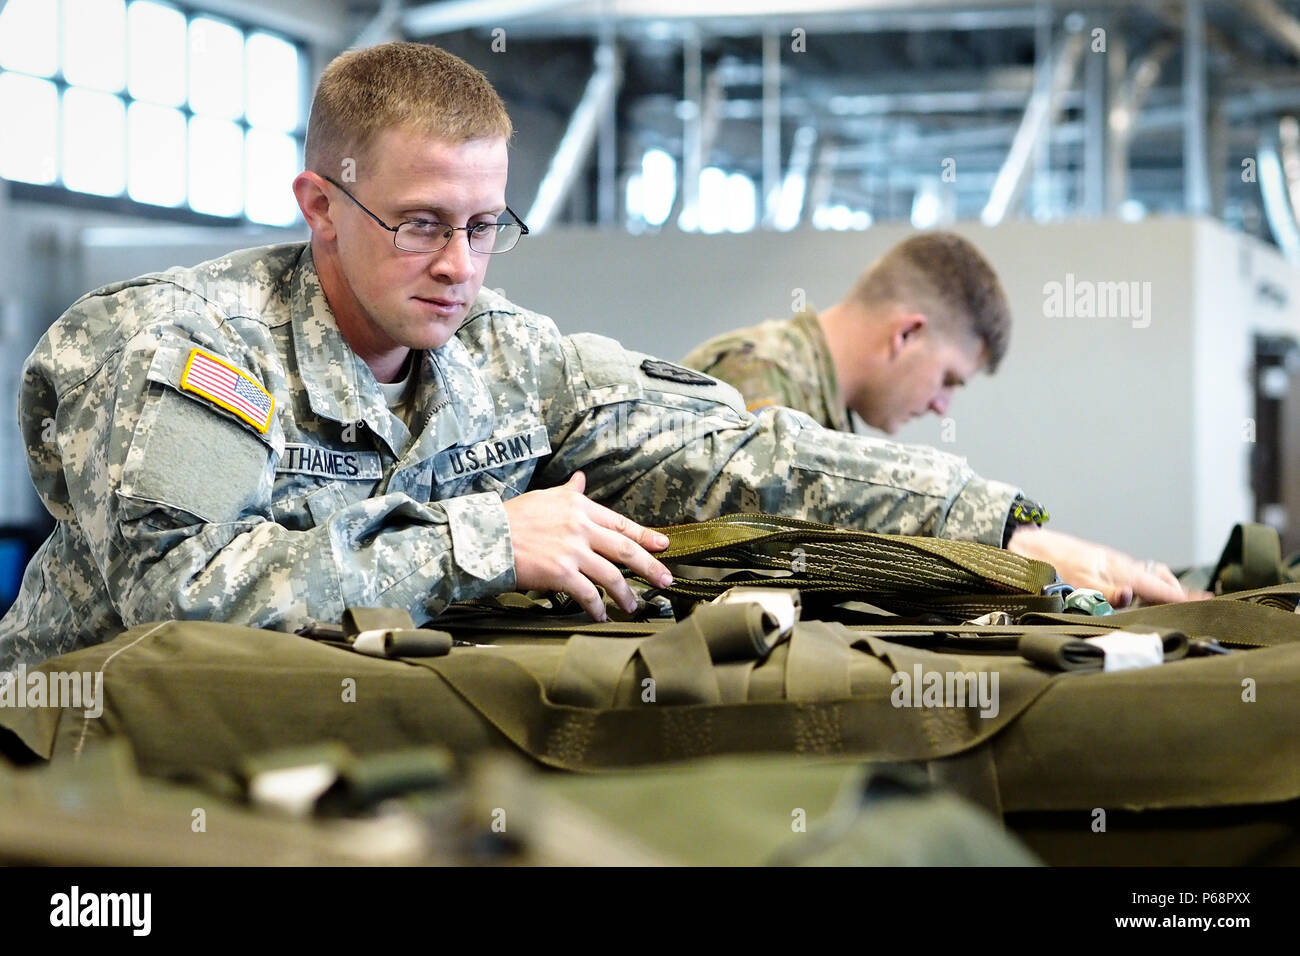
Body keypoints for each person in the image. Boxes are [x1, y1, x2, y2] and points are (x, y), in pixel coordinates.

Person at [0, 42, 1195, 676]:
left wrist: (998, 528)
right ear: (319, 202)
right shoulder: (181, 346)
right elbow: (186, 593)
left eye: (486, 226)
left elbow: (730, 450)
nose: (460, 265)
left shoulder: (509, 356)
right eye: (421, 223)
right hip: (82, 773)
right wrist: (490, 541)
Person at [681, 232, 1007, 435]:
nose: (942, 407)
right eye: (948, 380)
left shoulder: (823, 409)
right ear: (906, 334)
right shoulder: (761, 376)